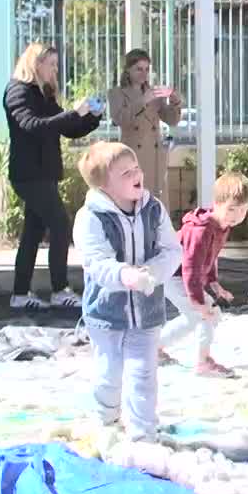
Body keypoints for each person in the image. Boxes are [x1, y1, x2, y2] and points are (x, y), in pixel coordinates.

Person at [73, 141, 182, 443]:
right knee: (109, 373)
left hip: (147, 311)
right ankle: (106, 420)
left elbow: (173, 250)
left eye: (136, 168)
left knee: (143, 373)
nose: (137, 174)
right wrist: (125, 275)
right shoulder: (92, 217)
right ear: (104, 186)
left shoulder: (153, 210)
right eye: (126, 172)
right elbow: (95, 261)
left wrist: (152, 273)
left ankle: (143, 434)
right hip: (107, 312)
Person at [4, 43, 102, 310]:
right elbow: (33, 126)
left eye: (56, 65)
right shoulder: (18, 91)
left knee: (32, 234)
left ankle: (20, 294)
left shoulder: (43, 94)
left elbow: (64, 129)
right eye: (52, 64)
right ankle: (59, 289)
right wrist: (74, 113)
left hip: (44, 174)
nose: (55, 70)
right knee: (60, 224)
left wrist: (92, 118)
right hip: (28, 175)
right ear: (36, 63)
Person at [162, 172, 248, 379]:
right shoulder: (201, 230)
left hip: (182, 276)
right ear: (217, 203)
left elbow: (210, 257)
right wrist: (198, 301)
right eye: (231, 209)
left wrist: (214, 283)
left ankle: (156, 348)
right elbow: (190, 268)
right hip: (175, 275)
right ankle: (203, 362)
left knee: (194, 318)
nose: (236, 215)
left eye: (243, 210)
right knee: (208, 314)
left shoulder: (222, 225)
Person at [109, 49, 184, 208]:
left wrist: (175, 100)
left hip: (155, 156)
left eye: (147, 69)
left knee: (155, 204)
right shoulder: (116, 93)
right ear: (128, 70)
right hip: (133, 156)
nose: (144, 73)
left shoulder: (153, 93)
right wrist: (143, 101)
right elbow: (120, 119)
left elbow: (172, 120)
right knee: (134, 201)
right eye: (139, 69)